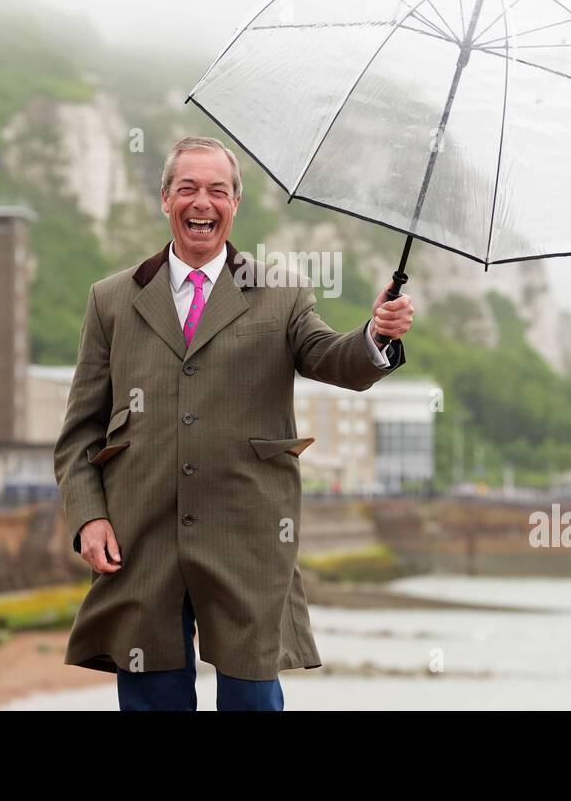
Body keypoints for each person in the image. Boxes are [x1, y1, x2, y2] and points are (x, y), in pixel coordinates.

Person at [53, 135, 413, 710]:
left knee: (252, 701)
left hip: (249, 539)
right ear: (165, 199)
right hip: (140, 541)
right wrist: (89, 518)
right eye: (188, 188)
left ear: (235, 204)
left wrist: (376, 335)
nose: (203, 202)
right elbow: (79, 432)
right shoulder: (112, 300)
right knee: (152, 700)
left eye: (217, 190)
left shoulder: (282, 292)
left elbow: (333, 359)